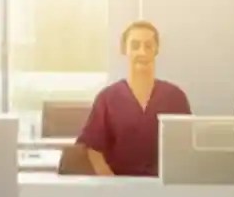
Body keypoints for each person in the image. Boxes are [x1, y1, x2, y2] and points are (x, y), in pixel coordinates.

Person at [75, 21, 191, 176]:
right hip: (120, 188)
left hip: (164, 188)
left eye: (148, 46)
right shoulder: (107, 98)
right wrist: (111, 182)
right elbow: (92, 148)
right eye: (135, 46)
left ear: (156, 50)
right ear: (125, 50)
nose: (142, 52)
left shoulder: (175, 97)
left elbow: (187, 146)